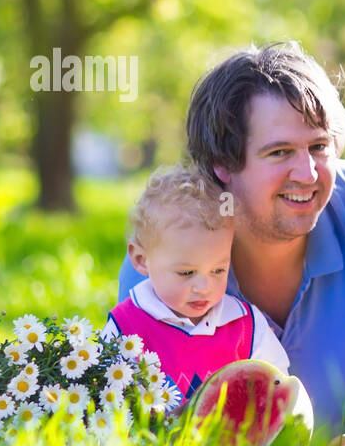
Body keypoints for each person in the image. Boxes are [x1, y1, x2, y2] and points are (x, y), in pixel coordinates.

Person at [117, 42, 345, 434]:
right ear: (223, 164)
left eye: (318, 147)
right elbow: (143, 423)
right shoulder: (167, 258)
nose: (309, 174)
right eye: (279, 152)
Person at [104, 164, 313, 424]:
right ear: (140, 258)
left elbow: (275, 386)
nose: (204, 287)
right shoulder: (124, 326)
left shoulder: (247, 325)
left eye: (218, 270)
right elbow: (105, 399)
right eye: (186, 273)